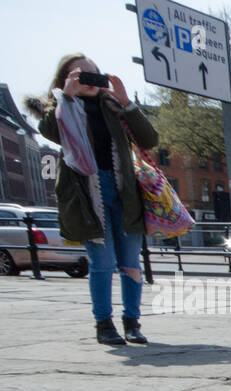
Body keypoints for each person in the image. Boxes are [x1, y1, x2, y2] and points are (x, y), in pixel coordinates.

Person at [25, 54, 158, 346]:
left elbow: (149, 139)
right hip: (88, 196)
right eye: (79, 74)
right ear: (66, 80)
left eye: (93, 73)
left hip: (125, 194)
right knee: (102, 263)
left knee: (130, 262)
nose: (87, 79)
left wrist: (127, 103)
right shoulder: (63, 109)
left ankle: (132, 323)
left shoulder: (114, 107)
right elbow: (50, 132)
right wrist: (66, 98)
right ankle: (104, 325)